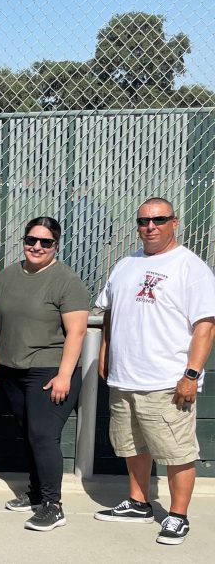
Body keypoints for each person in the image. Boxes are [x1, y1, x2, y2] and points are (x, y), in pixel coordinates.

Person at [93, 198, 215, 546]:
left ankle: (178, 515)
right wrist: (105, 352)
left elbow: (205, 326)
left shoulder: (190, 267)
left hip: (167, 381)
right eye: (144, 221)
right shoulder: (125, 264)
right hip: (125, 376)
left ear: (174, 222)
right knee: (133, 445)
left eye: (159, 220)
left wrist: (191, 375)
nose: (151, 226)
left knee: (177, 452)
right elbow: (110, 314)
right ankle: (138, 501)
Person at [0, 217, 89, 531]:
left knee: (43, 436)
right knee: (29, 433)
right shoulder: (9, 275)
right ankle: (34, 494)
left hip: (48, 369)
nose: (37, 247)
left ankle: (52, 505)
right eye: (32, 240)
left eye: (45, 242)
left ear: (56, 245)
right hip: (12, 369)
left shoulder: (66, 280)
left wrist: (64, 375)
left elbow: (77, 332)